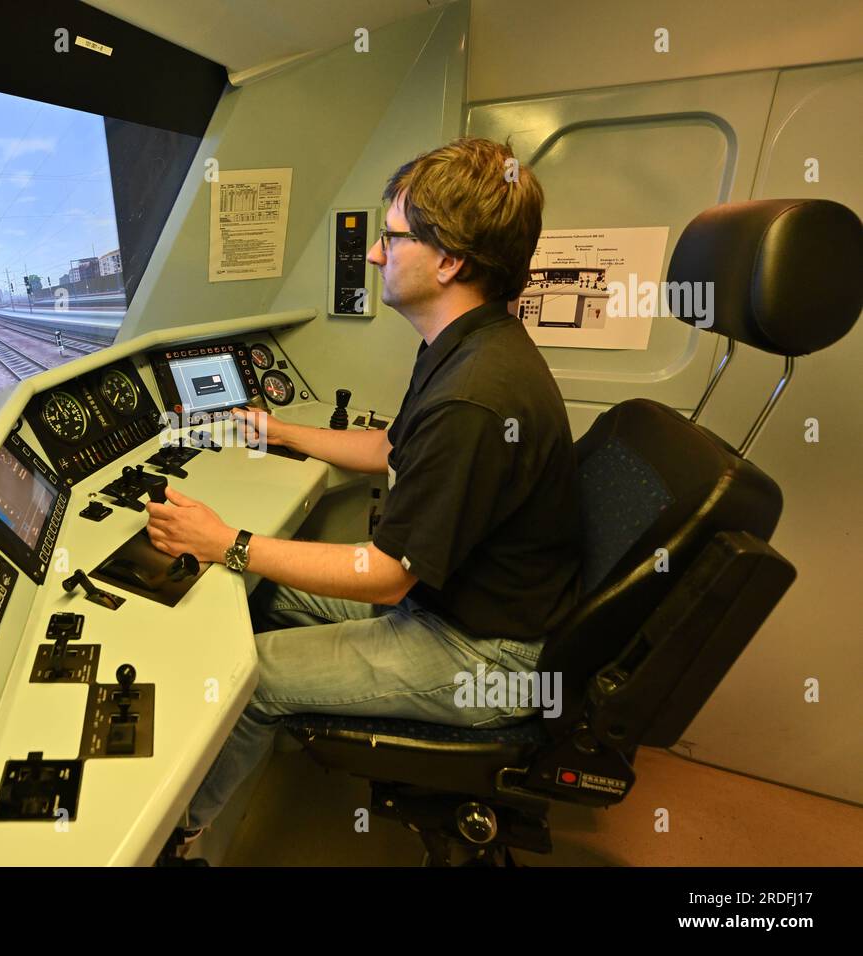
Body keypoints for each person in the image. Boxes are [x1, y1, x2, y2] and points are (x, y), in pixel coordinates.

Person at [144, 137, 582, 846]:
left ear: (448, 260)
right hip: (457, 603)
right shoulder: (466, 343)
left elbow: (384, 577)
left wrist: (227, 542)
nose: (375, 253)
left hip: (487, 653)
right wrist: (280, 431)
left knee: (249, 676)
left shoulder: (473, 393)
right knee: (258, 594)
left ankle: (178, 844)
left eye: (390, 236)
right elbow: (388, 449)